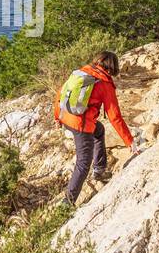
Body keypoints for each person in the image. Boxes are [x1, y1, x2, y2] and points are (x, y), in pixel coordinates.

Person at [54, 50, 138, 204]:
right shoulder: (104, 83)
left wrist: (57, 117)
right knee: (83, 163)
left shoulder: (82, 72)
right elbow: (115, 116)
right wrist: (129, 141)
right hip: (81, 125)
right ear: (113, 67)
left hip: (66, 117)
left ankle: (99, 169)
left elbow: (61, 93)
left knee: (99, 130)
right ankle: (67, 203)